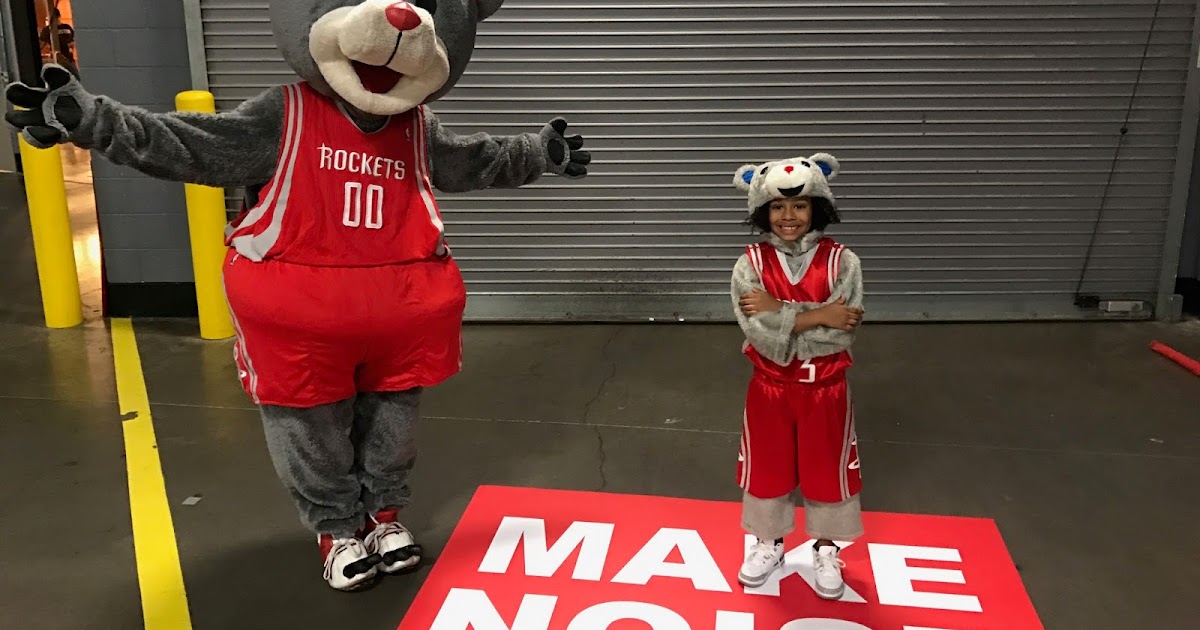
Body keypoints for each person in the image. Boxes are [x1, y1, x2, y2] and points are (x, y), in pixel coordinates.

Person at [729, 152, 865, 600]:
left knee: (829, 471)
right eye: (778, 207)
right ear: (763, 210)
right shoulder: (749, 263)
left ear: (818, 207)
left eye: (800, 205)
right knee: (767, 469)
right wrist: (816, 314)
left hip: (825, 389)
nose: (789, 216)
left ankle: (827, 548)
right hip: (769, 388)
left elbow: (840, 333)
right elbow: (756, 330)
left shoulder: (843, 262)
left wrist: (783, 315)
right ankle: (768, 543)